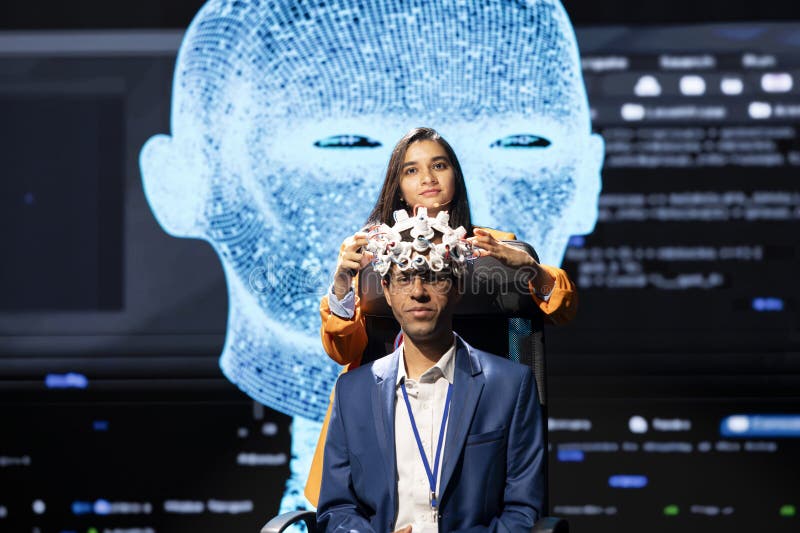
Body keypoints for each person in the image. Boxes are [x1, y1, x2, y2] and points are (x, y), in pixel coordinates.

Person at [305, 127, 576, 504]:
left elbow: (562, 309)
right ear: (398, 187)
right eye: (411, 170)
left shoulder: (493, 246)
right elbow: (343, 351)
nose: (427, 178)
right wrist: (341, 287)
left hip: (470, 409)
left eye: (439, 165)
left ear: (455, 176)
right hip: (387, 415)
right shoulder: (370, 253)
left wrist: (529, 267)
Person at [317, 214, 545, 532]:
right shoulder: (352, 392)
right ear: (386, 289)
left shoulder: (510, 386)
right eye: (404, 278)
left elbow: (523, 511)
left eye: (434, 277)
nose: (418, 291)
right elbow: (337, 509)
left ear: (457, 287)